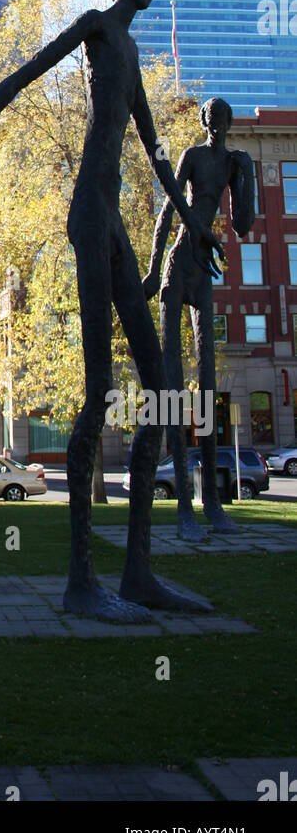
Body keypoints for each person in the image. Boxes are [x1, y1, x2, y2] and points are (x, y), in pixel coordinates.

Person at [0, 0, 223, 620]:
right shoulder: (96, 30)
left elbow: (155, 150)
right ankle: (82, 580)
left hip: (113, 219)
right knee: (99, 392)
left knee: (163, 392)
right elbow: (15, 84)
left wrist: (194, 222)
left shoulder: (131, 52)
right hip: (88, 211)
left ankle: (138, 571)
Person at [143, 97, 255, 539]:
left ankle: (213, 503)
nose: (216, 126)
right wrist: (153, 271)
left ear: (229, 123)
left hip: (205, 274)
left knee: (207, 383)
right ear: (205, 122)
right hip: (178, 266)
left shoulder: (231, 164)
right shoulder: (191, 157)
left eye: (222, 120)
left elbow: (244, 224)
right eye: (210, 120)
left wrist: (245, 176)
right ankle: (185, 508)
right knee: (173, 383)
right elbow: (169, 210)